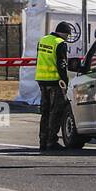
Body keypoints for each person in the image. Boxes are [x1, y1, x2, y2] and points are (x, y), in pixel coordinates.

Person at [34, 21, 72, 151]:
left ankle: (42, 141)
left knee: (45, 112)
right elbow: (62, 64)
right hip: (55, 82)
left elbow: (38, 58)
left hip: (42, 80)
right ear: (64, 33)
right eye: (68, 34)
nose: (67, 37)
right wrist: (65, 81)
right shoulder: (60, 43)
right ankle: (51, 141)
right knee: (55, 112)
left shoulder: (43, 40)